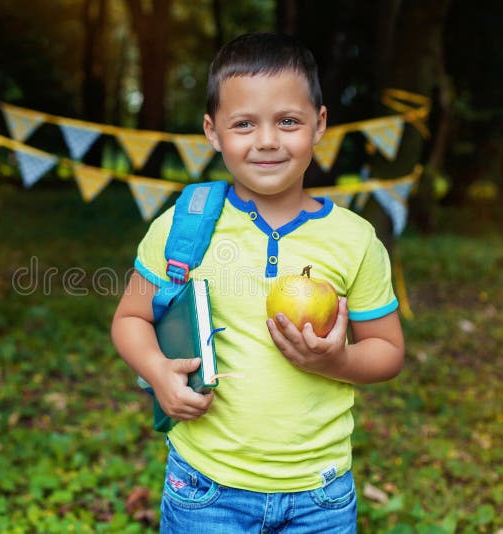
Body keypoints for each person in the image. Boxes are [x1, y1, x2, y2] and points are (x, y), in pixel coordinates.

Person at [111, 31, 404, 533]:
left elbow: (388, 350)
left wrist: (338, 360)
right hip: (204, 488)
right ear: (212, 131)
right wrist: (158, 372)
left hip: (320, 494)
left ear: (320, 125)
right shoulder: (181, 225)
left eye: (288, 121)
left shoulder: (354, 240)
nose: (267, 140)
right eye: (244, 124)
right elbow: (130, 319)